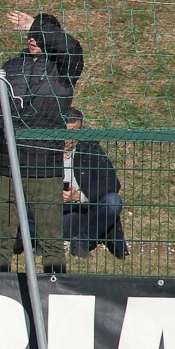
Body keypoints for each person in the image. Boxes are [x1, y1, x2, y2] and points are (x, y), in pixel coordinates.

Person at [0, 11, 81, 273]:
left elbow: (72, 46)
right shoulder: (12, 65)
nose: (33, 39)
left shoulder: (64, 67)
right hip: (6, 163)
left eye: (39, 35)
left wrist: (36, 25)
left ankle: (55, 287)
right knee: (0, 239)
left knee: (51, 240)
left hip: (45, 166)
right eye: (30, 34)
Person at [60, 108, 127, 259]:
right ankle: (38, 240)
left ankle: (82, 241)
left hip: (85, 214)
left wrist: (80, 196)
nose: (66, 139)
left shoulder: (90, 148)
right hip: (54, 214)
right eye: (63, 132)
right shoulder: (43, 151)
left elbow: (112, 182)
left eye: (72, 133)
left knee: (113, 201)